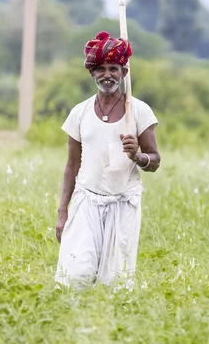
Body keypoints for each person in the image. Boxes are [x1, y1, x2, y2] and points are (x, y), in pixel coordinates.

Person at [54, 31, 161, 290]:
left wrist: (138, 156)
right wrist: (62, 210)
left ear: (124, 73)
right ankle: (73, 324)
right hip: (86, 200)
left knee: (117, 282)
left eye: (113, 68)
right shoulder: (79, 113)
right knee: (75, 275)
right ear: (92, 73)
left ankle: (113, 328)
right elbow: (72, 165)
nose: (107, 75)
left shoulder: (138, 111)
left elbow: (155, 160)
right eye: (100, 69)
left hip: (123, 203)